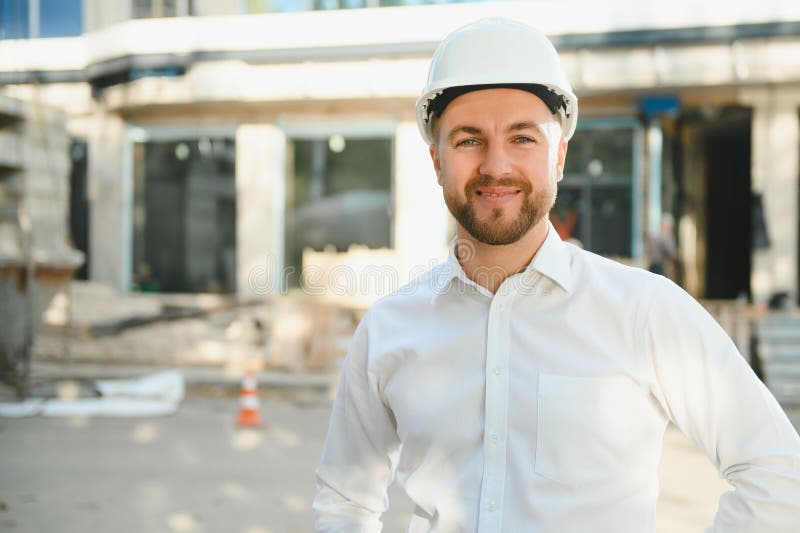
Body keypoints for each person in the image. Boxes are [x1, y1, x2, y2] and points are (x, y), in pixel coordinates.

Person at [313, 18, 800, 532]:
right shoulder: (389, 328)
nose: (495, 165)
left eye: (522, 137)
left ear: (560, 156)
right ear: (436, 162)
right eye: (467, 140)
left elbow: (776, 469)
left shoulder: (644, 311)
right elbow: (345, 500)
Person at [648, 212, 678, 277]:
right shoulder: (666, 236)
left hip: (652, 265)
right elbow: (671, 252)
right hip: (660, 266)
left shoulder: (655, 235)